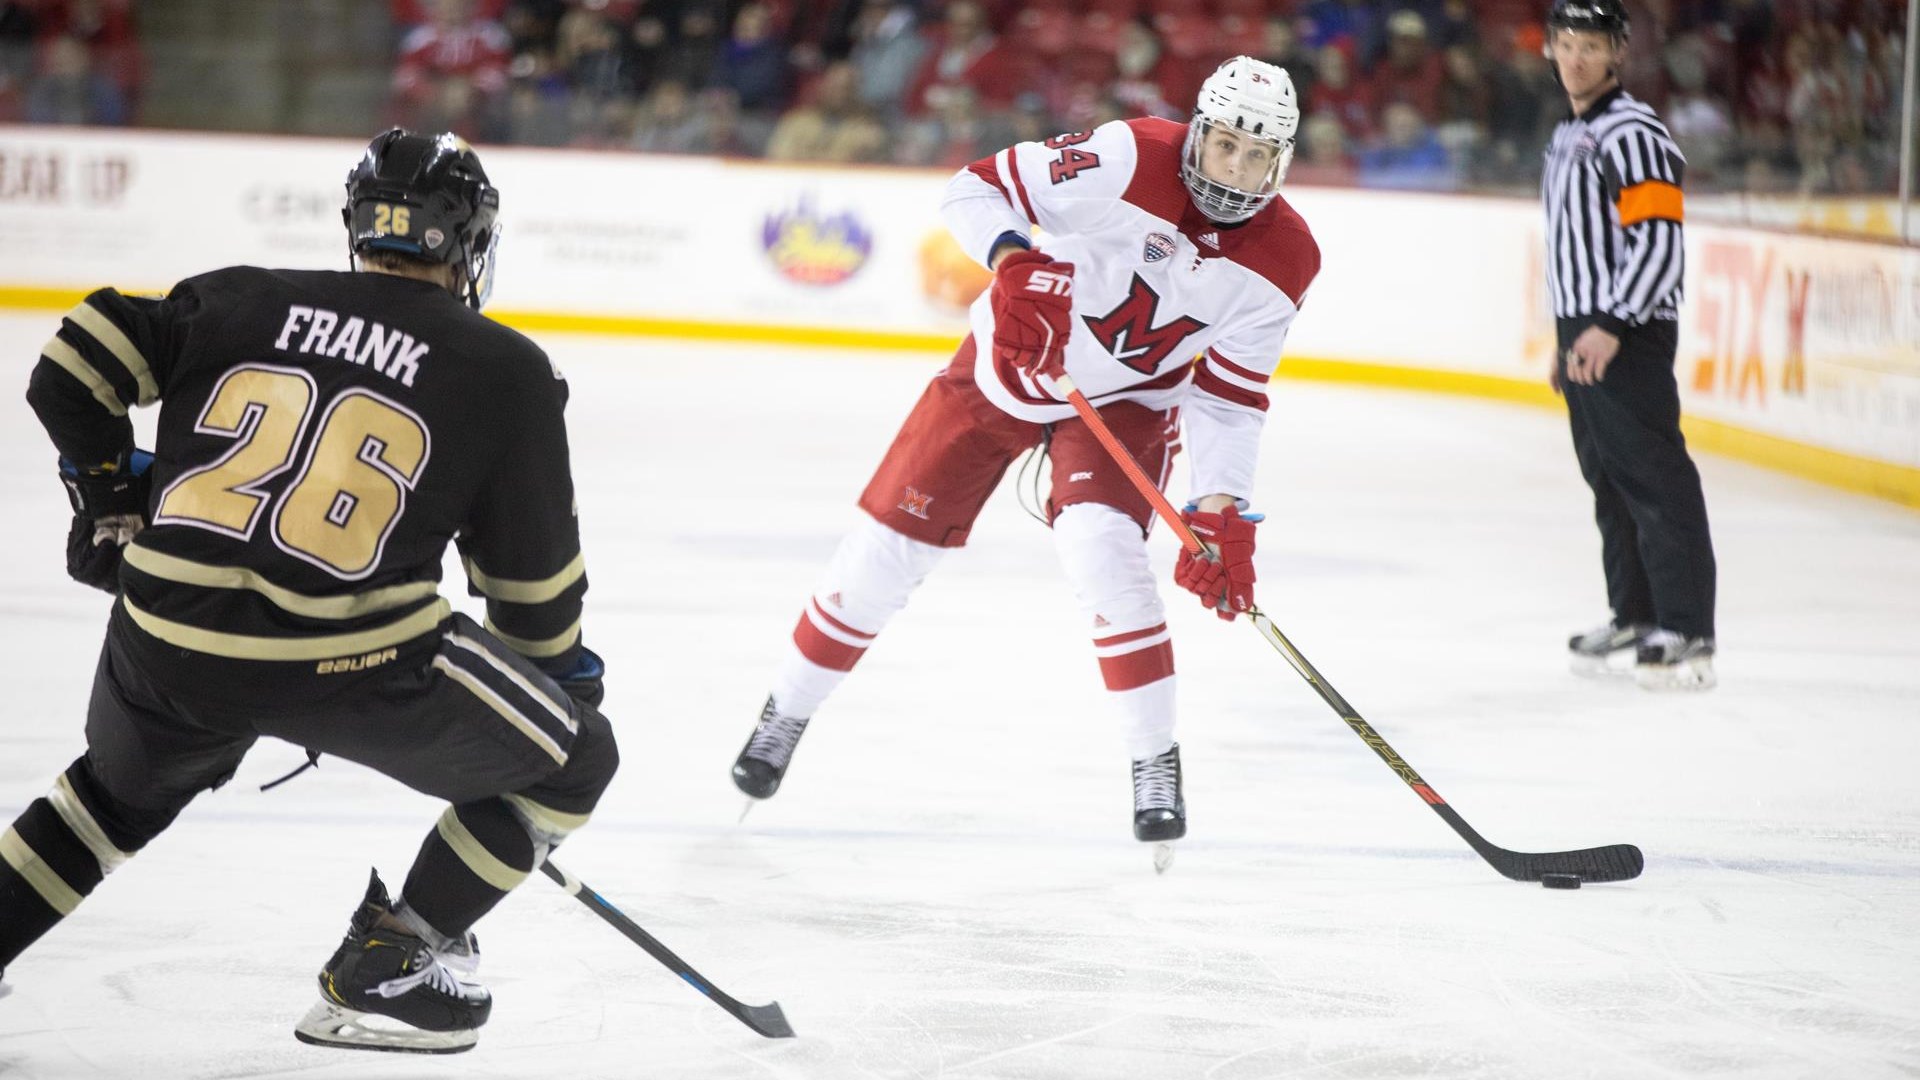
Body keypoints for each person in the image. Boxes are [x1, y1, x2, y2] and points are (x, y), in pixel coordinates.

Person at [0, 129, 619, 1052]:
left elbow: (75, 359)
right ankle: (391, 961)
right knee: (575, 764)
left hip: (165, 634)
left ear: (358, 226)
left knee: (109, 801)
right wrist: (557, 689)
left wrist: (110, 494)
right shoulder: (505, 369)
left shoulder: (241, 296)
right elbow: (530, 595)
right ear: (471, 239)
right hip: (352, 659)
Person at [730, 56, 1320, 852]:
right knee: (886, 553)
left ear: (1282, 160)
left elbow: (1227, 397)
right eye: (1225, 147)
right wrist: (1013, 263)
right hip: (1008, 368)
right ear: (1197, 135)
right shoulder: (1123, 156)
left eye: (1259, 157)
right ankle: (786, 712)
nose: (1238, 171)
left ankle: (1154, 761)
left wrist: (1219, 505)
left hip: (1129, 401)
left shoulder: (1287, 260)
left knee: (1104, 552)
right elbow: (973, 187)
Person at [1540, 0, 1717, 691]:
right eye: (1566, 44)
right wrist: (1569, 336)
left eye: (1591, 46)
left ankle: (1687, 626)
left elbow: (1658, 244)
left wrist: (1610, 325)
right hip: (1585, 325)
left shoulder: (1633, 131)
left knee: (1653, 476)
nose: (1577, 58)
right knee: (1608, 479)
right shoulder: (1569, 134)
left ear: (1617, 53)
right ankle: (1637, 615)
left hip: (1626, 329)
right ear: (1551, 49)